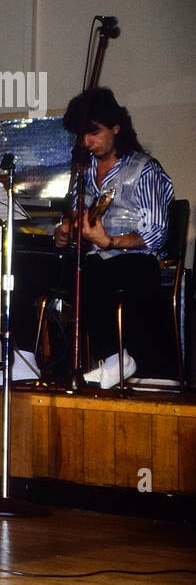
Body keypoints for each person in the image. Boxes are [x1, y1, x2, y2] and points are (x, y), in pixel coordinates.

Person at [53, 88, 174, 385]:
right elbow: (74, 211)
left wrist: (110, 242)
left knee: (93, 273)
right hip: (97, 259)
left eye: (94, 133)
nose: (86, 142)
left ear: (116, 127)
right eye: (81, 135)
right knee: (32, 270)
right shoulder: (83, 170)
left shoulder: (144, 169)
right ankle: (26, 358)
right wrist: (65, 228)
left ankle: (116, 360)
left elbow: (156, 233)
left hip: (136, 261)